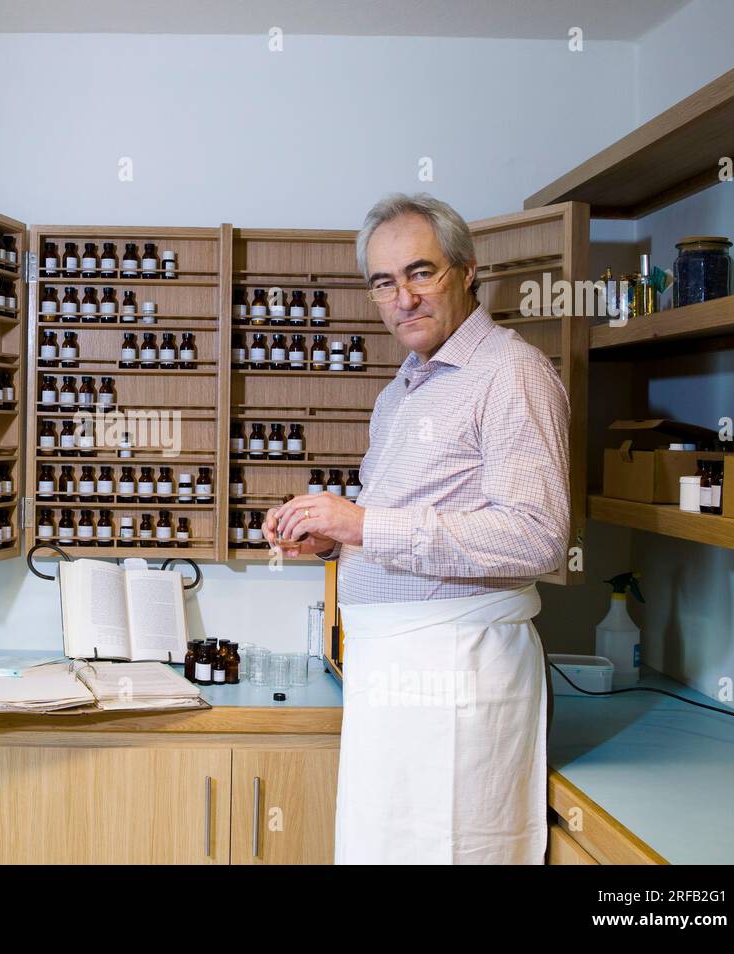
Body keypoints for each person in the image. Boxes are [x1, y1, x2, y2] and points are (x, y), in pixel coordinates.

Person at [264, 193, 570, 864]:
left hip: (458, 674)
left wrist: (366, 524)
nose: (402, 297)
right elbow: (401, 524)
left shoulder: (511, 374)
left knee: (453, 851)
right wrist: (334, 537)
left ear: (466, 271)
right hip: (393, 676)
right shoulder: (401, 391)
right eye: (383, 281)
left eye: (420, 272)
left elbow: (537, 536)